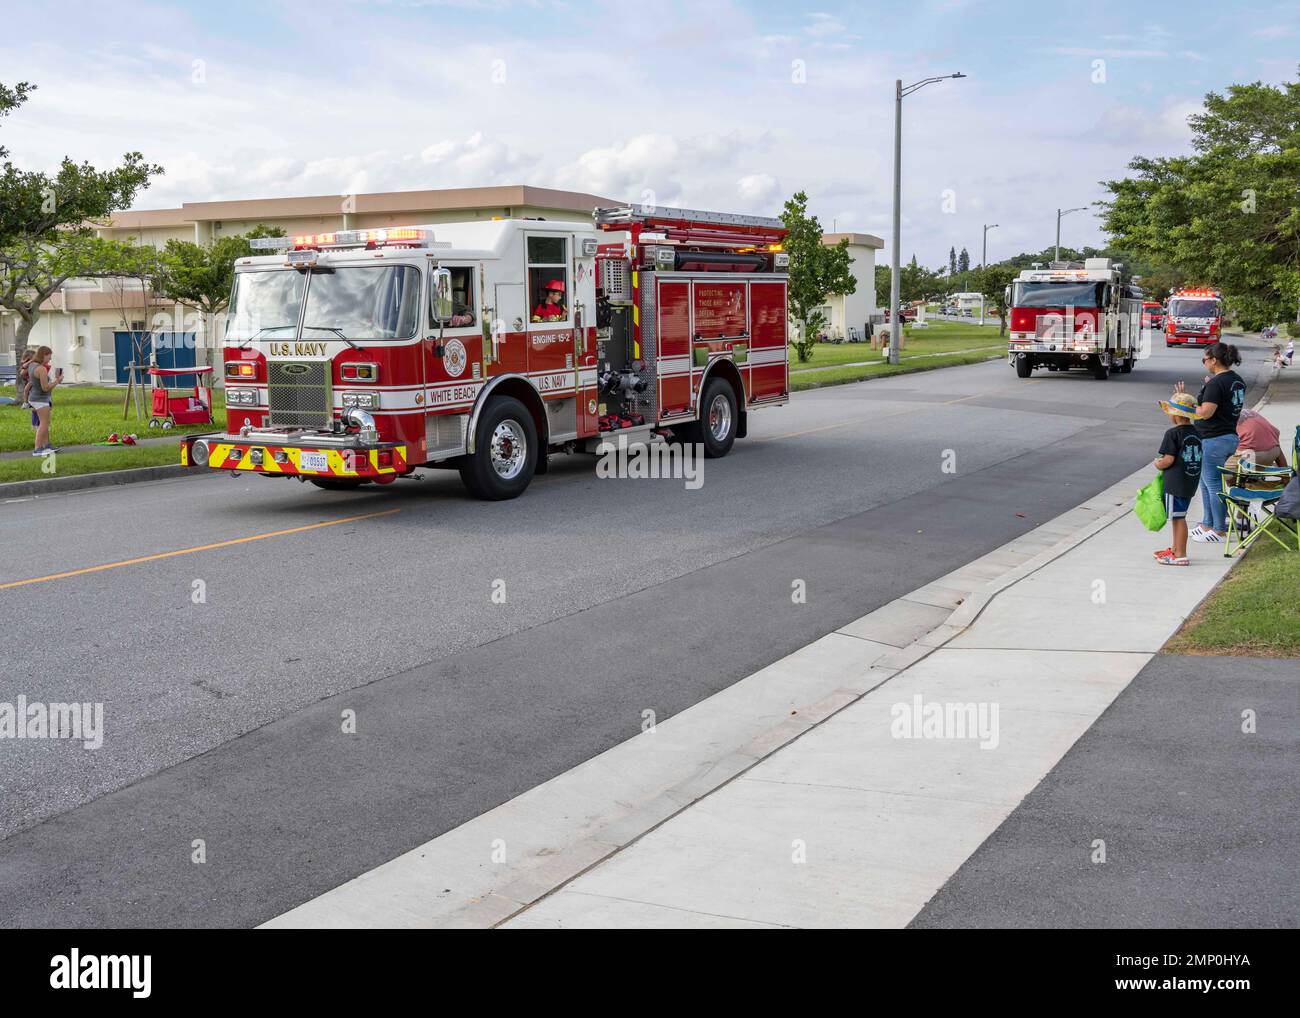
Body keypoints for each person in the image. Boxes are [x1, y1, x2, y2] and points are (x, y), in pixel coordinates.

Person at [1173, 341, 1246, 544]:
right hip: (1228, 436)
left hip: (1213, 439)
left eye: (1205, 359)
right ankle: (1208, 523)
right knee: (1206, 483)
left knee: (1213, 484)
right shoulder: (1237, 380)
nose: (1204, 362)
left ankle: (1219, 529)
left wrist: (1184, 406)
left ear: (1214, 360)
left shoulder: (1216, 383)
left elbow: (1206, 412)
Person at [1152, 392, 1204, 566]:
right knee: (1178, 516)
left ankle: (1180, 554)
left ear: (1175, 414)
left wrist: (1158, 464)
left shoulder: (1172, 434)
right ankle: (1175, 549)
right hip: (1190, 479)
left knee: (1179, 518)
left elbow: (1168, 460)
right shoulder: (1197, 432)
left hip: (1175, 483)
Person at [27, 345, 62, 456]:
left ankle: (46, 445)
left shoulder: (32, 365)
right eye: (49, 357)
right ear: (43, 355)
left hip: (34, 397)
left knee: (45, 423)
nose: (50, 359)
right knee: (44, 423)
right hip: (40, 399)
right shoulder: (41, 369)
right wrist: (58, 380)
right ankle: (37, 449)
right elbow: (45, 388)